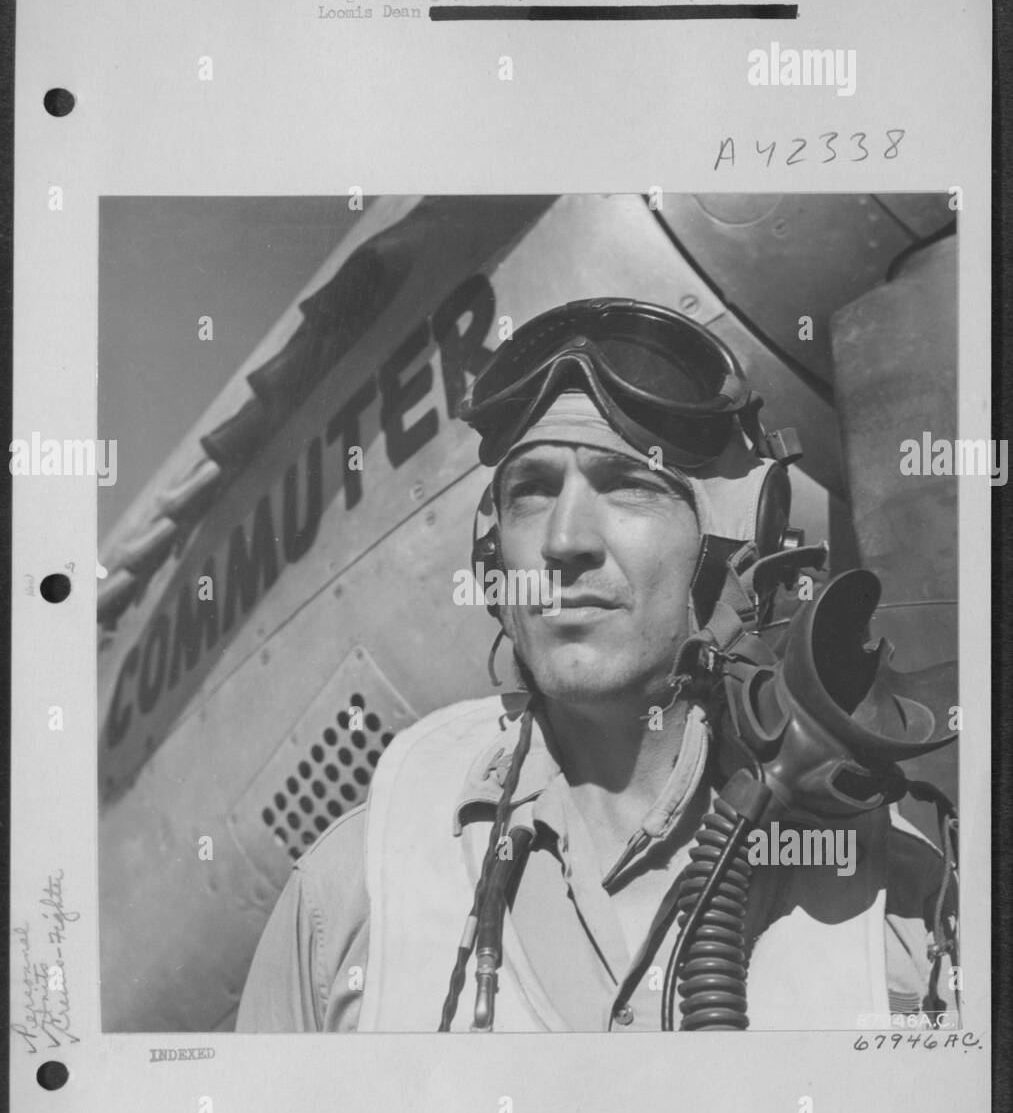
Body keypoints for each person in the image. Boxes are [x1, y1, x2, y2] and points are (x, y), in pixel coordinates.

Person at [238, 299, 956, 1034]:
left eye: (627, 485)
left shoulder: (899, 883)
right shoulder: (354, 887)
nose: (563, 540)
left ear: (734, 540)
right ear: (491, 558)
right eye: (533, 492)